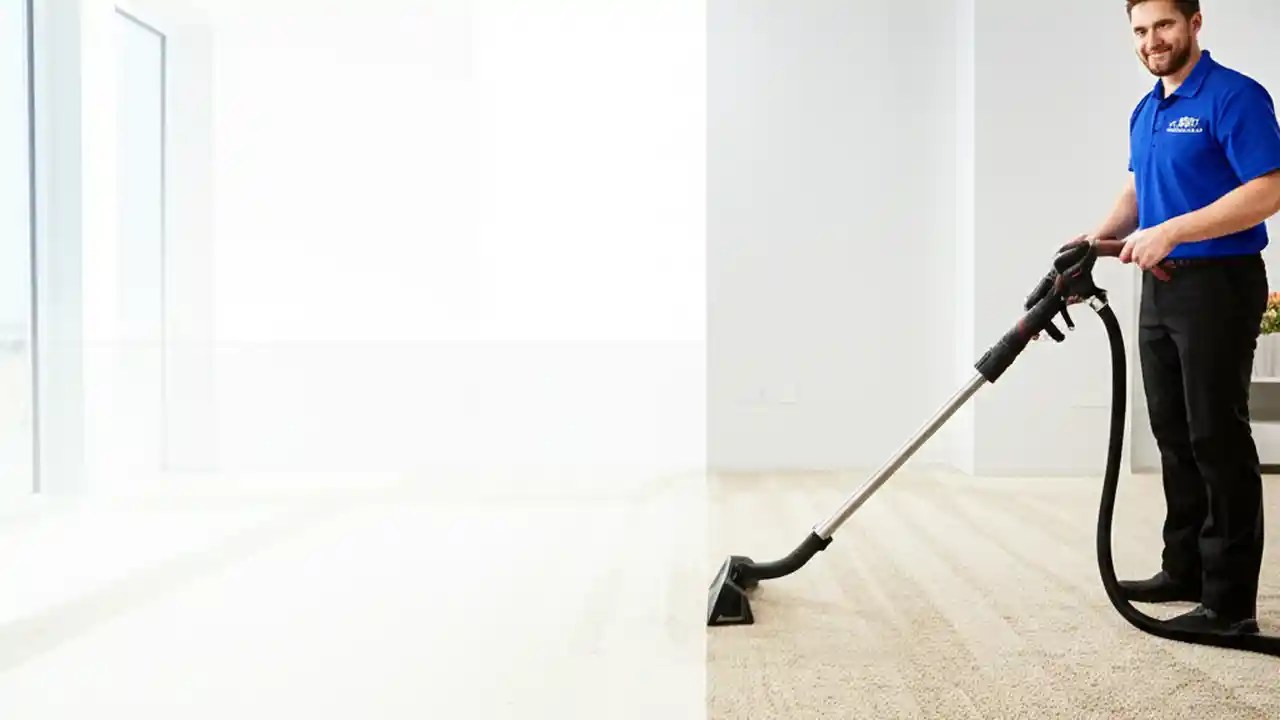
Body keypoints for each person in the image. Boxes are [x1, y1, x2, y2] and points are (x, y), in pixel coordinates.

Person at [1085, 0, 1280, 635]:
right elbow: (1140, 188)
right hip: (1162, 288)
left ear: (1195, 24)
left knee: (1215, 438)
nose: (1151, 41)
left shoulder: (1235, 97)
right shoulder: (1149, 108)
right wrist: (1094, 240)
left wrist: (1170, 231)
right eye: (1139, 30)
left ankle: (1228, 605)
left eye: (1163, 25)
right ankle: (1186, 568)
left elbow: (1267, 190)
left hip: (1220, 285)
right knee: (1173, 432)